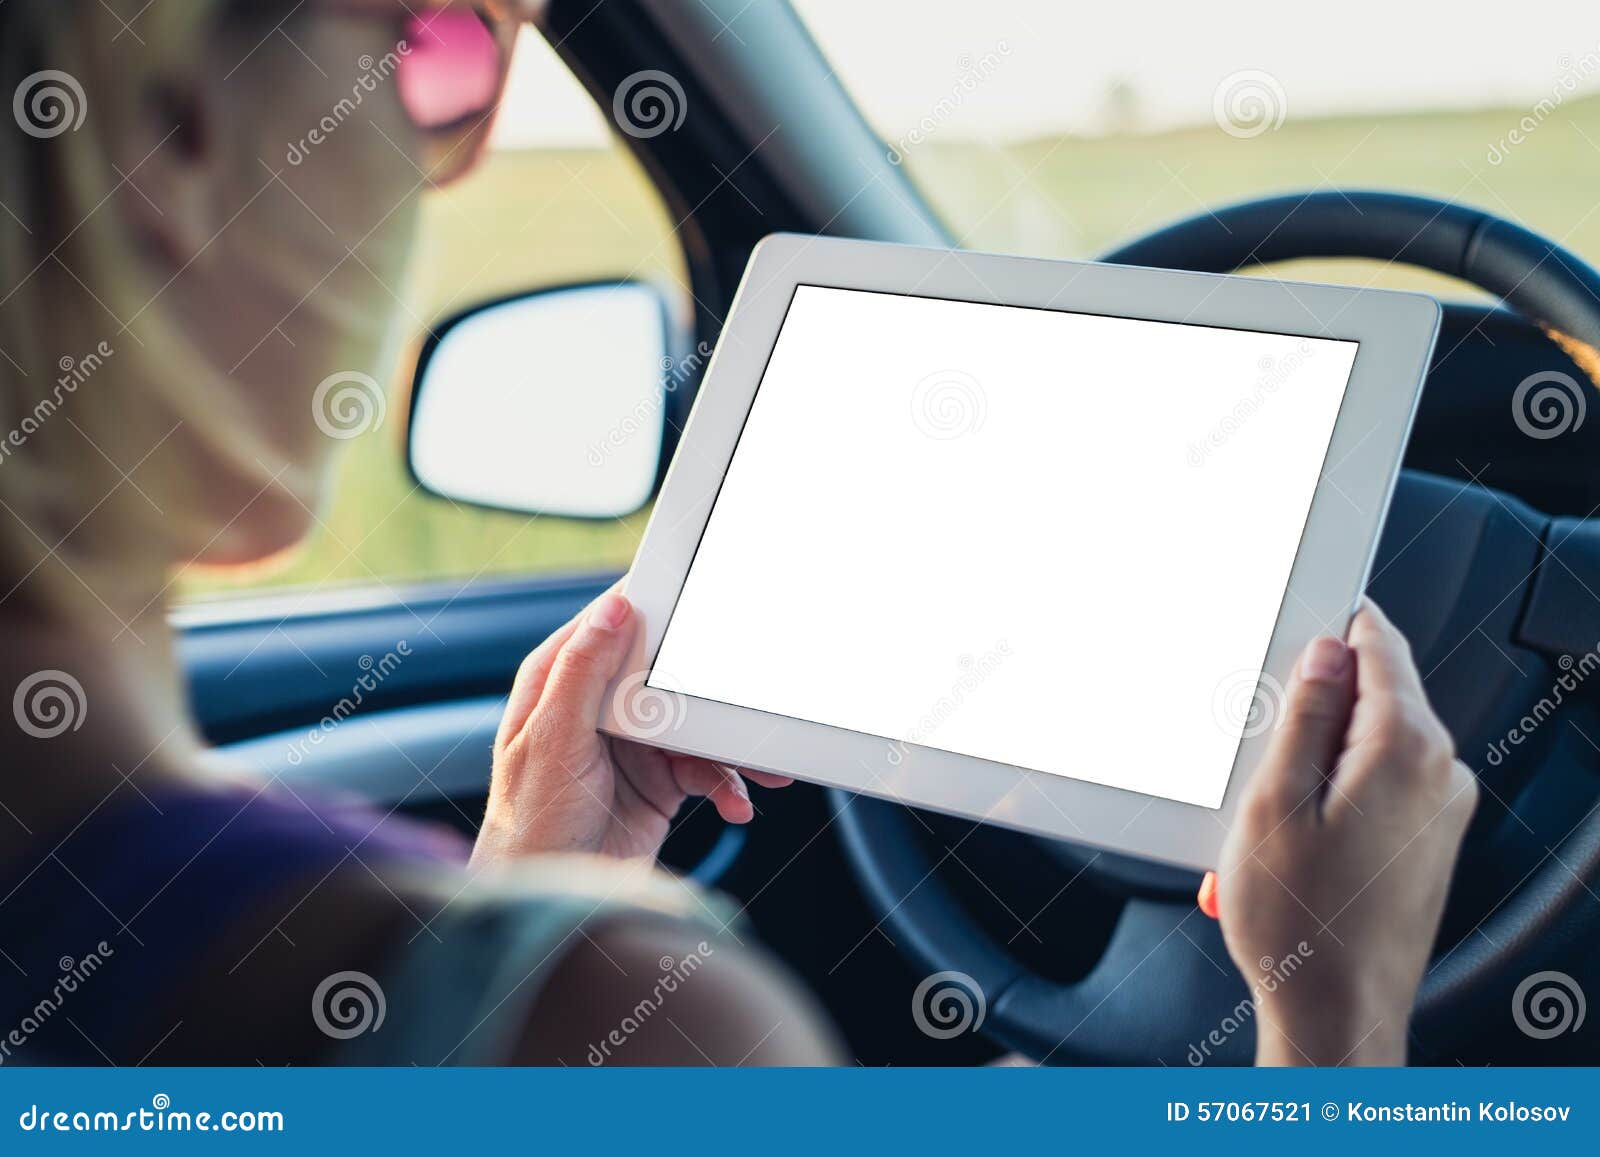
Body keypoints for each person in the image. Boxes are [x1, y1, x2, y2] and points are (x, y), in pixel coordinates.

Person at [0, 0, 1477, 1066]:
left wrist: (526, 889)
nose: (436, 153)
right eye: (434, 48)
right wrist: (1330, 1015)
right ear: (169, 129)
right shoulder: (643, 1035)